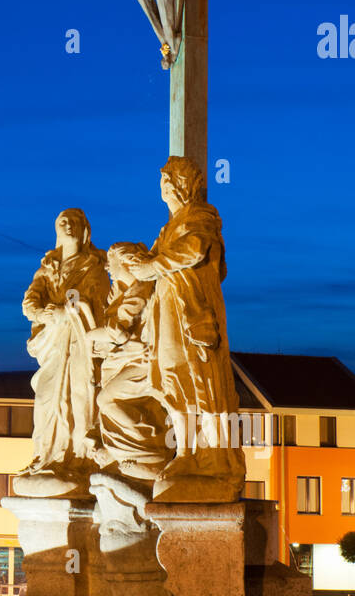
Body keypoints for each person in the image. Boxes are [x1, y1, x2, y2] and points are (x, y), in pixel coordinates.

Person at [119, 157, 243, 499]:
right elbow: (149, 270)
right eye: (162, 180)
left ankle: (213, 456)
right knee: (173, 378)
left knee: (197, 377)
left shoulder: (200, 215)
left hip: (191, 313)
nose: (165, 186)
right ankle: (186, 452)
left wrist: (153, 265)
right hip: (167, 315)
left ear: (183, 184)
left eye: (169, 180)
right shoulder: (167, 228)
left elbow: (194, 249)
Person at [13, 208, 109, 497]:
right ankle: (47, 455)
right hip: (53, 343)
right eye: (61, 222)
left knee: (78, 397)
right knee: (45, 398)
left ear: (83, 229)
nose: (67, 225)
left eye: (72, 222)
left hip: (79, 342)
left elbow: (99, 301)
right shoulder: (47, 267)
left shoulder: (94, 265)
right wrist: (44, 314)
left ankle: (77, 457)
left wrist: (68, 311)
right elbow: (30, 301)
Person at [89, 243, 168, 481]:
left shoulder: (139, 289)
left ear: (126, 264)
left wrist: (88, 334)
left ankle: (147, 448)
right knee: (112, 403)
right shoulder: (122, 294)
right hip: (121, 362)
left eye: (112, 266)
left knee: (107, 399)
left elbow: (117, 329)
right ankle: (128, 453)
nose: (109, 271)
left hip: (141, 362)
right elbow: (111, 338)